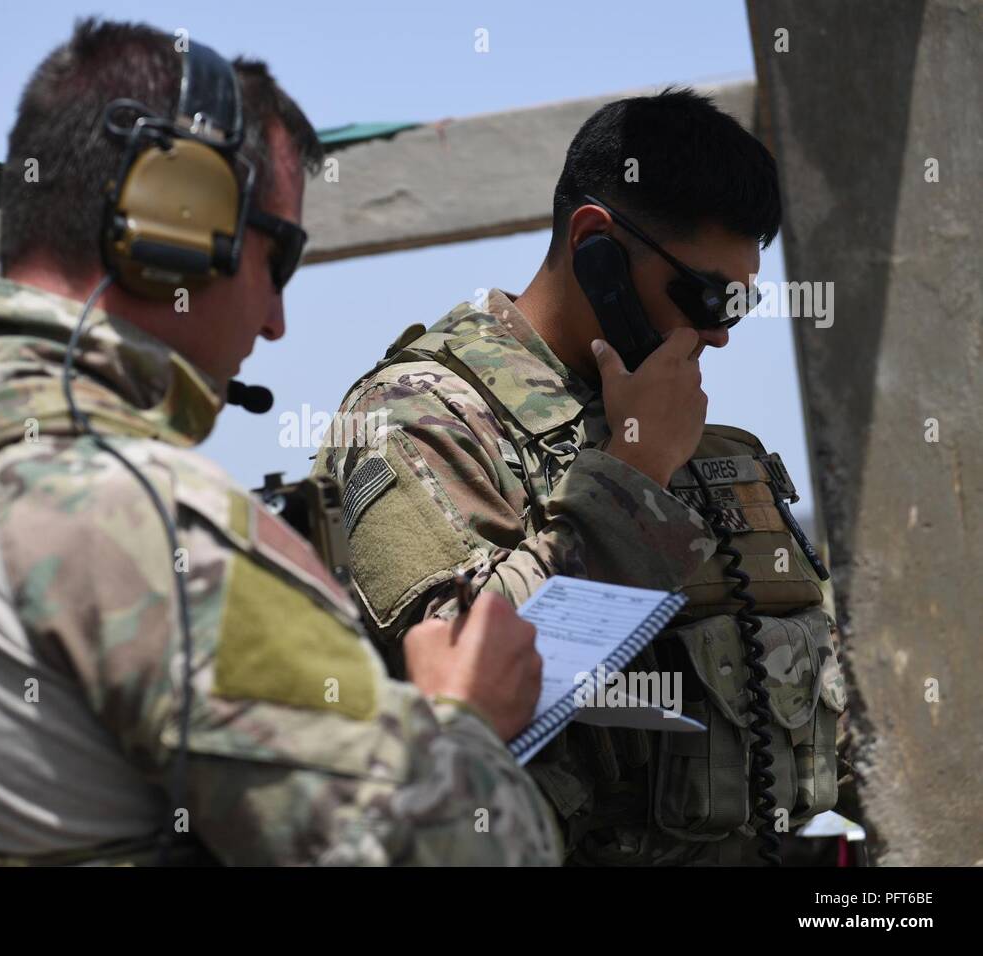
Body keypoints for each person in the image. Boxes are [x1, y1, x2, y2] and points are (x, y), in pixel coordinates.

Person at [0, 20, 569, 866]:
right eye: (280, 261)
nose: (275, 322)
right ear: (178, 218)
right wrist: (468, 728)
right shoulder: (139, 517)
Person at [314, 89, 845, 865]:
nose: (717, 336)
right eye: (703, 297)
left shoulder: (694, 432)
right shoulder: (413, 419)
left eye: (738, 304)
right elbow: (468, 686)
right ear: (595, 243)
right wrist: (633, 472)